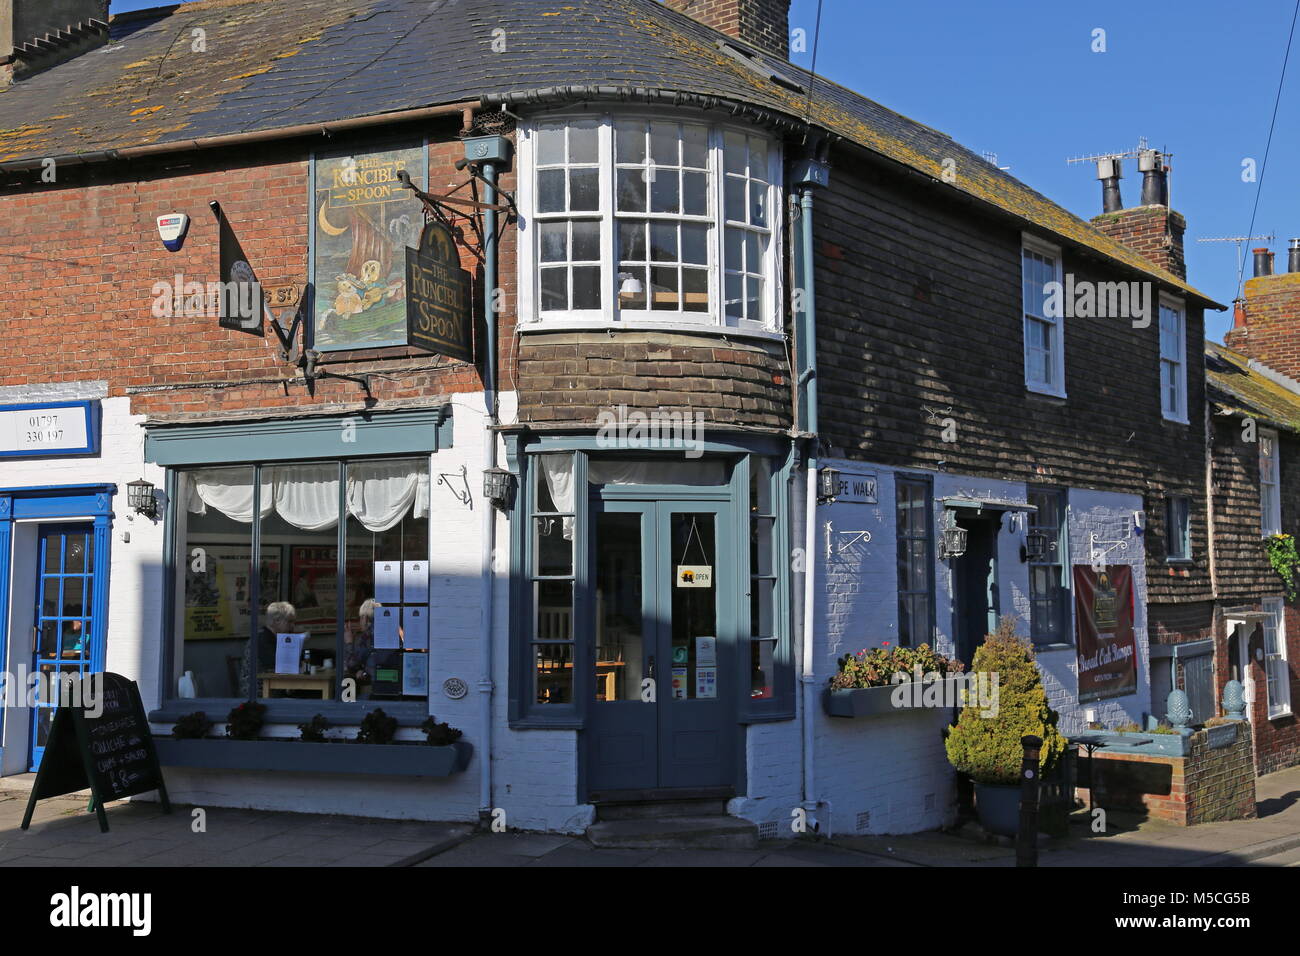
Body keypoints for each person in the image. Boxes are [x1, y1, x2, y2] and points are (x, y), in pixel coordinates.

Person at [342, 599, 376, 698]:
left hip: (371, 689)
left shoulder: (368, 636)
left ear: (365, 618)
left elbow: (351, 664)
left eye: (360, 618)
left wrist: (349, 642)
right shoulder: (384, 633)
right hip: (385, 685)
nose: (360, 622)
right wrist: (362, 670)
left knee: (346, 682)